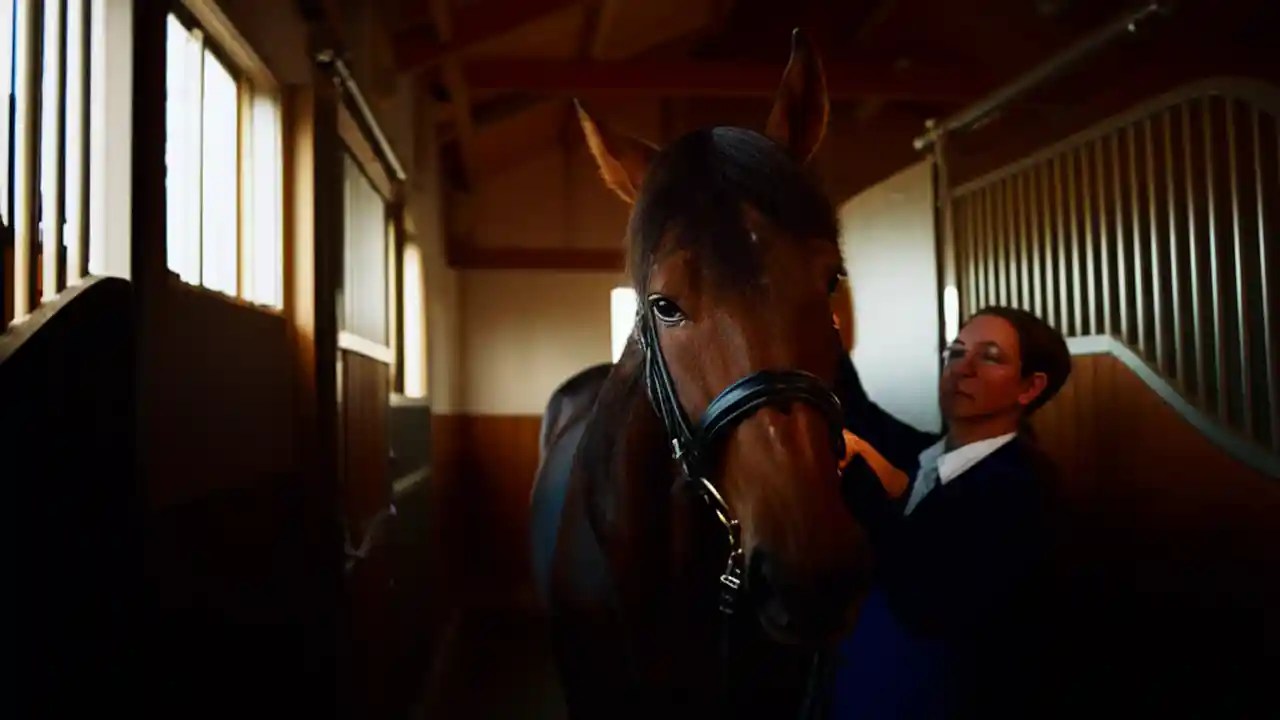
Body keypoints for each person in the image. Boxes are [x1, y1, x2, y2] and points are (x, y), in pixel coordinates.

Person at [829, 305, 1072, 719]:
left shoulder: (1023, 488)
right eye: (957, 352)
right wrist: (825, 334)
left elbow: (930, 597)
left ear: (1029, 387)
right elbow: (862, 414)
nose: (963, 368)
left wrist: (874, 490)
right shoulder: (925, 456)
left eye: (989, 356)